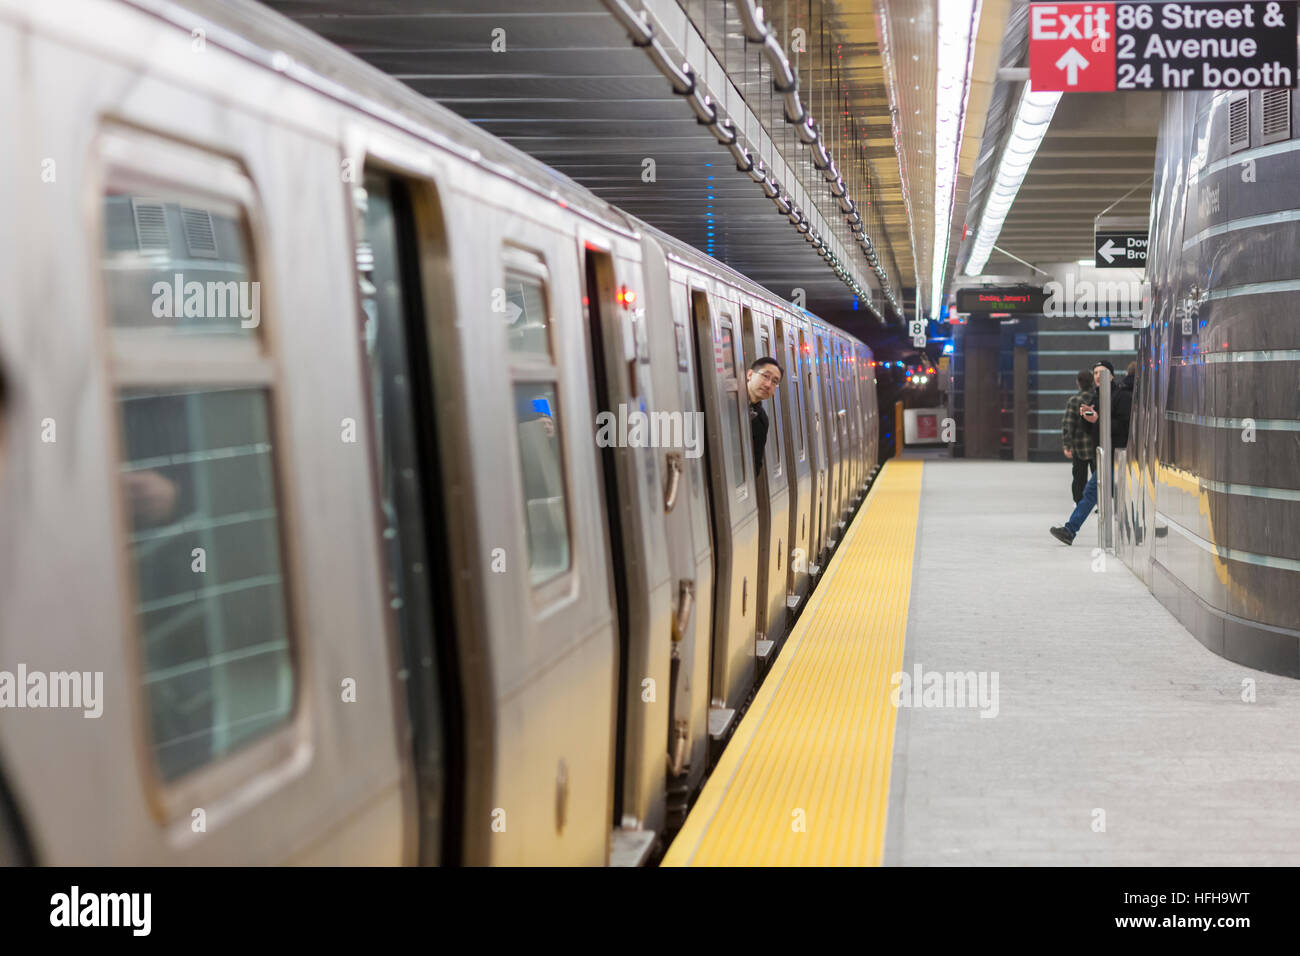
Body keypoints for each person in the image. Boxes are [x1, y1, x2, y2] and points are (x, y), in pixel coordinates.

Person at [1050, 359, 1132, 545]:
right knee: (1104, 493)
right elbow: (1090, 430)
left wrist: (1098, 419)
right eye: (1095, 373)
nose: (1097, 376)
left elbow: (1123, 428)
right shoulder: (1095, 398)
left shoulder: (1121, 397)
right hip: (1104, 454)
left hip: (1117, 455)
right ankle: (1071, 530)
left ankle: (1070, 530)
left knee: (1093, 492)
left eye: (1101, 372)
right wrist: (1087, 419)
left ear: (1111, 375)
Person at [1061, 369, 1097, 503]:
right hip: (1096, 445)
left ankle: (1079, 503)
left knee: (1079, 478)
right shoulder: (1097, 398)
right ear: (1092, 382)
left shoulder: (1074, 400)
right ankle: (1099, 503)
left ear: (1078, 383)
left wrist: (1067, 444)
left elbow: (1068, 423)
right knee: (1098, 477)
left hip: (1079, 447)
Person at [745, 357, 782, 472]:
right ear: (750, 374)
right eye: (765, 376)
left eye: (774, 381)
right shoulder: (720, 401)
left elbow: (756, 464)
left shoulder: (761, 420)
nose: (768, 384)